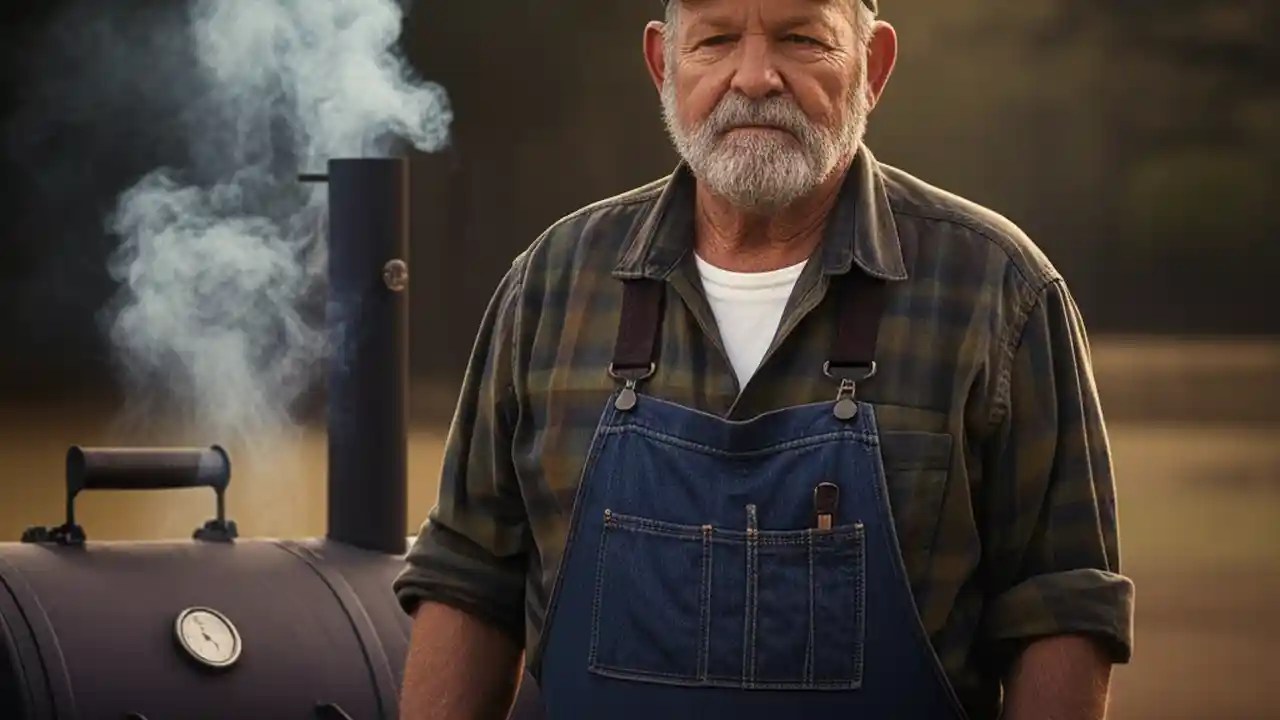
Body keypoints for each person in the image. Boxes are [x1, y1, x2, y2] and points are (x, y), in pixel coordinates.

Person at [394, 0, 1134, 717]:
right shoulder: (553, 285)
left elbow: (1061, 608)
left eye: (801, 40)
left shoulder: (997, 293)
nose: (754, 77)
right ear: (662, 64)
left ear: (873, 65)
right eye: (715, 41)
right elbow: (470, 578)